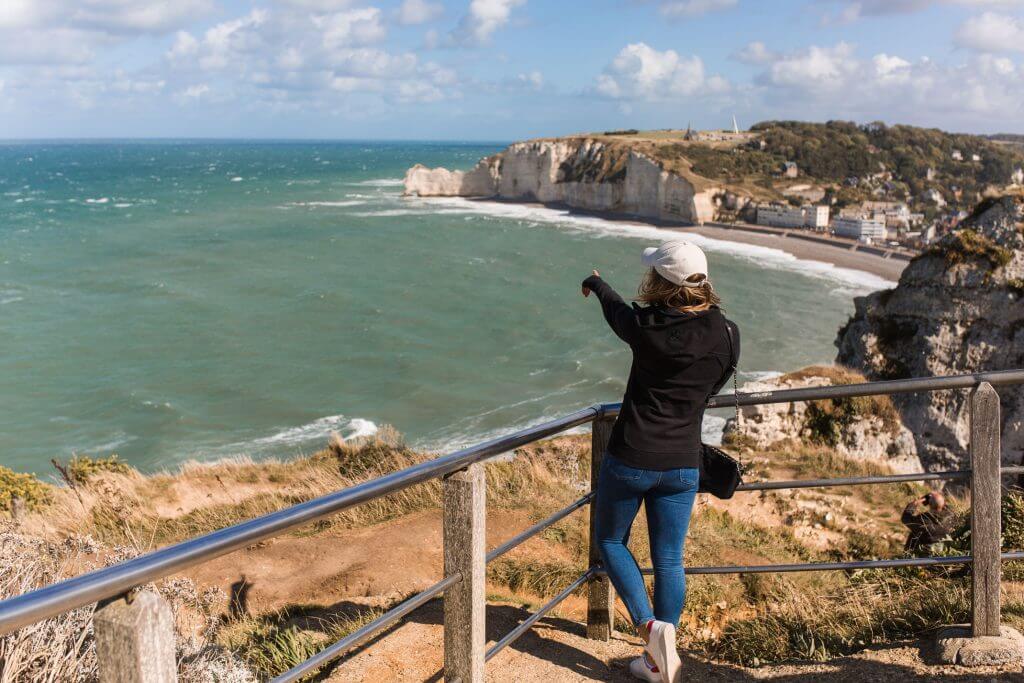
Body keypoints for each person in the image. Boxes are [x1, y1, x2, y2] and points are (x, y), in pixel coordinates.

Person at [582, 240, 739, 683]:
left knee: (611, 540)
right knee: (669, 559)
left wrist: (596, 283)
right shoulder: (728, 334)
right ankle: (656, 663)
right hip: (683, 462)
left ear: (659, 281)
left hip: (632, 455)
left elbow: (617, 312)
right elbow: (714, 384)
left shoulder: (646, 328)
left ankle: (650, 629)